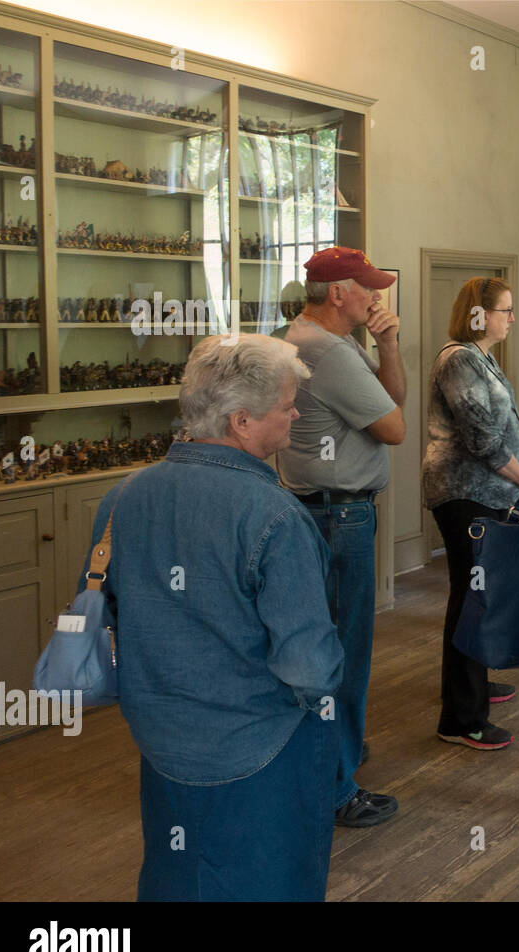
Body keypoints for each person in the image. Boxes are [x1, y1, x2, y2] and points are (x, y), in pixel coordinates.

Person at [81, 334, 344, 901]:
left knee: (176, 874)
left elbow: (109, 613)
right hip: (263, 747)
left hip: (160, 740)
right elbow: (309, 665)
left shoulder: (122, 498)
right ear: (242, 421)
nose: (296, 414)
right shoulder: (276, 516)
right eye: (287, 405)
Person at [277, 246, 404, 827]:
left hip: (320, 509)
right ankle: (335, 784)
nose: (376, 295)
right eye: (366, 286)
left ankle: (336, 753)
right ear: (336, 293)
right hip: (339, 515)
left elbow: (391, 398)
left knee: (326, 649)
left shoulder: (311, 337)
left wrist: (389, 345)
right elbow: (395, 428)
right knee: (344, 654)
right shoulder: (325, 350)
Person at [422, 276, 519, 750]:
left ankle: (474, 682)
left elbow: (507, 427)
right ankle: (461, 718)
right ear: (478, 314)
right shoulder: (459, 359)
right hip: (464, 493)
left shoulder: (482, 358)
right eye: (504, 310)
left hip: (489, 493)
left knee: (482, 595)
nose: (511, 318)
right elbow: (482, 439)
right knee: (471, 598)